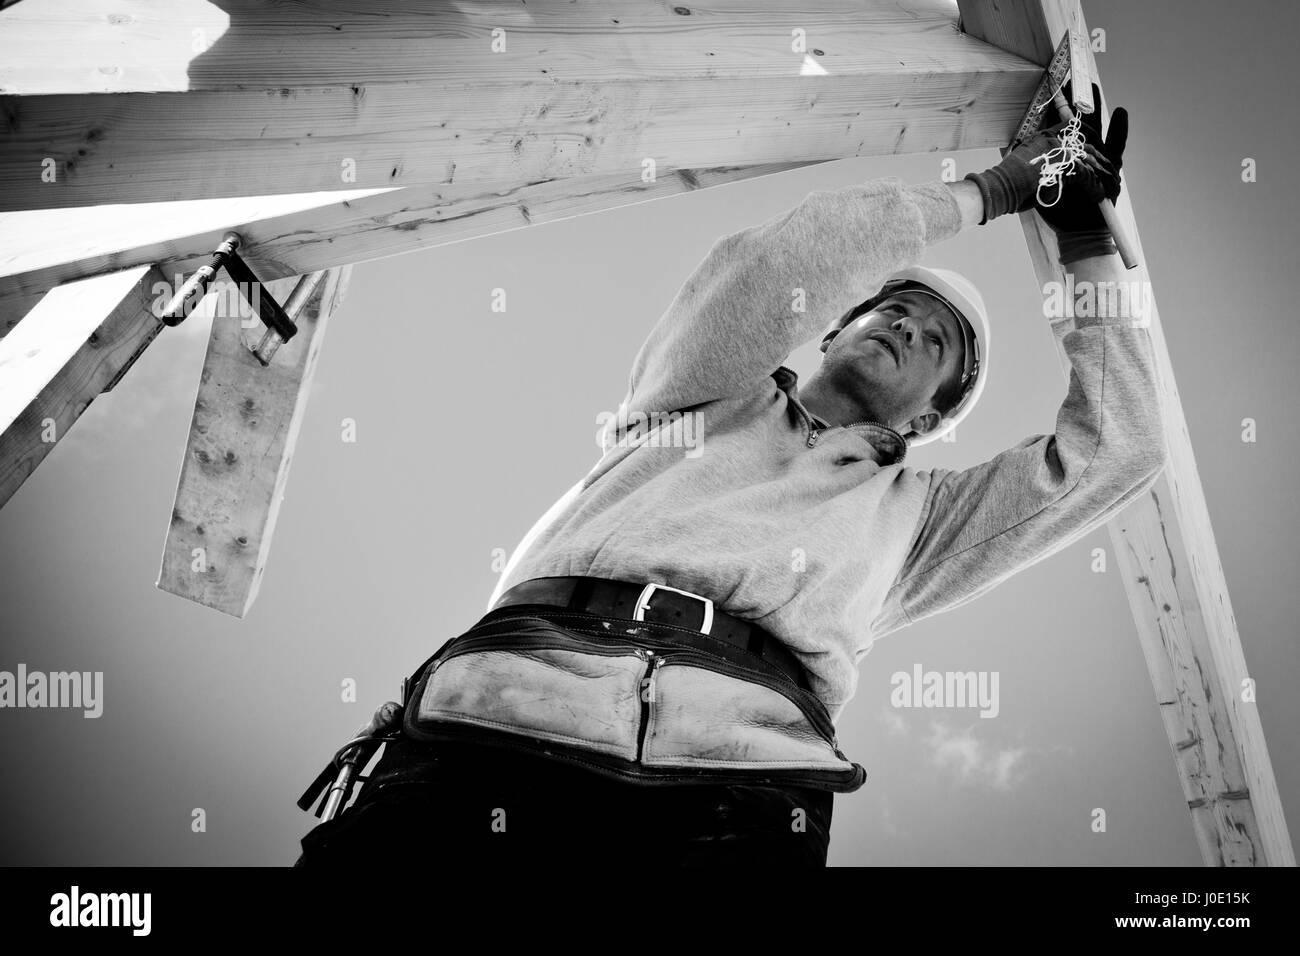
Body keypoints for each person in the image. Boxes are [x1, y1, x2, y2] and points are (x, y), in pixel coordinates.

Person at [295, 92, 1164, 868]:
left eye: (935, 342)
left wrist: (1085, 239)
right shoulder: (699, 395)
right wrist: (1002, 187)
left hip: (738, 773)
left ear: (930, 418)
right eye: (890, 308)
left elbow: (1119, 449)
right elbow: (788, 261)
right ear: (827, 334)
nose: (904, 326)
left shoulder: (917, 523)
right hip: (511, 709)